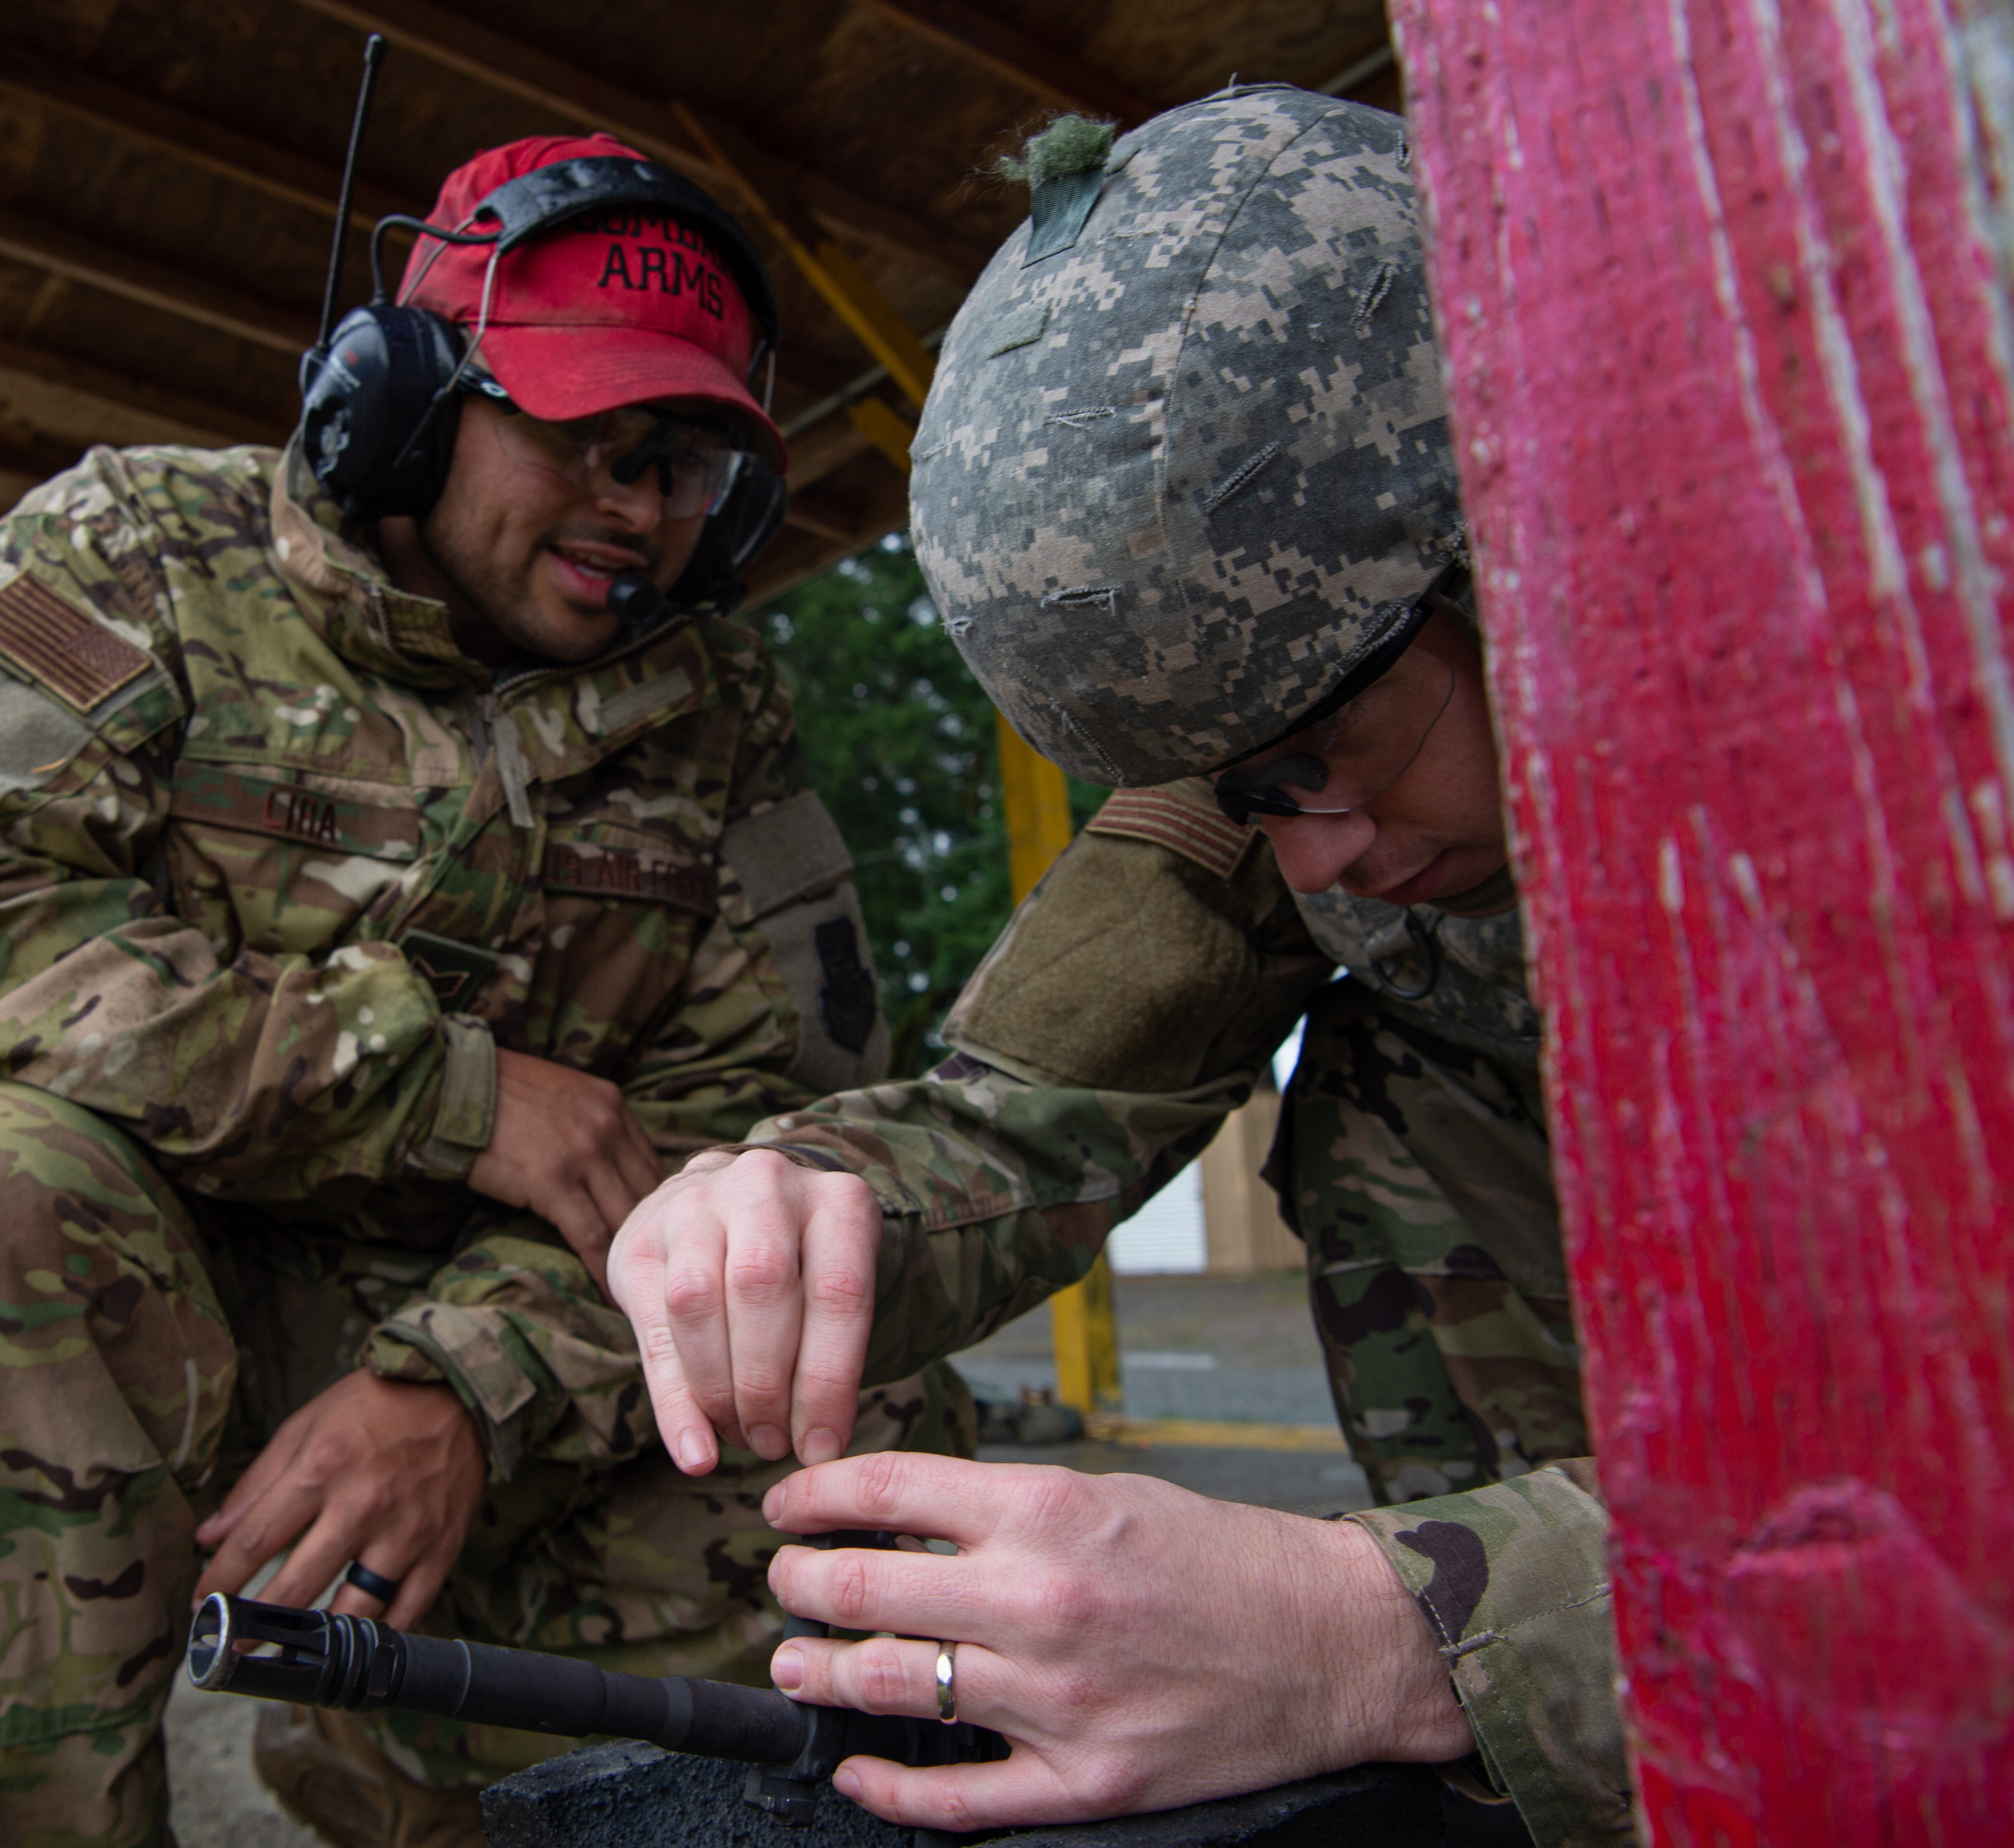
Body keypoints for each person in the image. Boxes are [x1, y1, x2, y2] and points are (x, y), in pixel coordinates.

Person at [0, 133, 973, 1848]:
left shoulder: (709, 701)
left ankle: (418, 1788)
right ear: (407, 402)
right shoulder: (132, 553)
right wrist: (437, 1092)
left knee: (845, 1402)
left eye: (681, 463)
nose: (640, 506)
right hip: (109, 1318)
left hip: (490, 1361)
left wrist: (461, 1385)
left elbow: (757, 1123)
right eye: (588, 434)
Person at [602, 88, 1636, 1846]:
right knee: (1396, 1065)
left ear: (1525, 533)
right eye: (1244, 787)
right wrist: (790, 1202)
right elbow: (1020, 1121)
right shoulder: (1306, 761)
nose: (1307, 850)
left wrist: (1385, 1629)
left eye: (1327, 746)